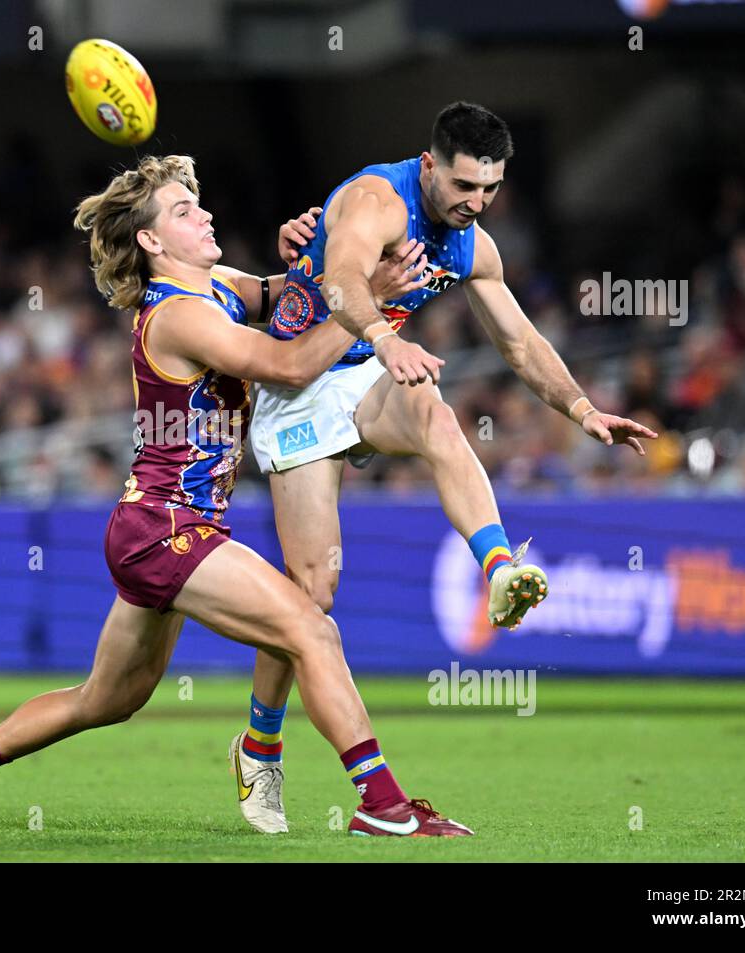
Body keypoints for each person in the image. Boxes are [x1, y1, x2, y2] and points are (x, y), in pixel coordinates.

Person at [0, 154, 473, 837]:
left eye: (200, 203)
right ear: (153, 242)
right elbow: (287, 362)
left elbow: (293, 299)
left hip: (155, 530)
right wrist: (361, 297)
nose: (205, 213)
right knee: (311, 627)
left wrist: (321, 256)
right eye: (184, 211)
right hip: (166, 529)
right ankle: (383, 804)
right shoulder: (180, 314)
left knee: (102, 700)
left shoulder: (216, 285)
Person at [232, 102, 659, 834]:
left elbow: (520, 344)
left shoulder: (470, 243)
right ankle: (259, 743)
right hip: (297, 384)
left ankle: (498, 569)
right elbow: (340, 282)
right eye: (464, 186)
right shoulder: (376, 200)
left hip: (366, 377)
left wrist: (583, 409)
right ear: (430, 165)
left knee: (435, 410)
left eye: (490, 189)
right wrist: (382, 334)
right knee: (311, 595)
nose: (477, 203)